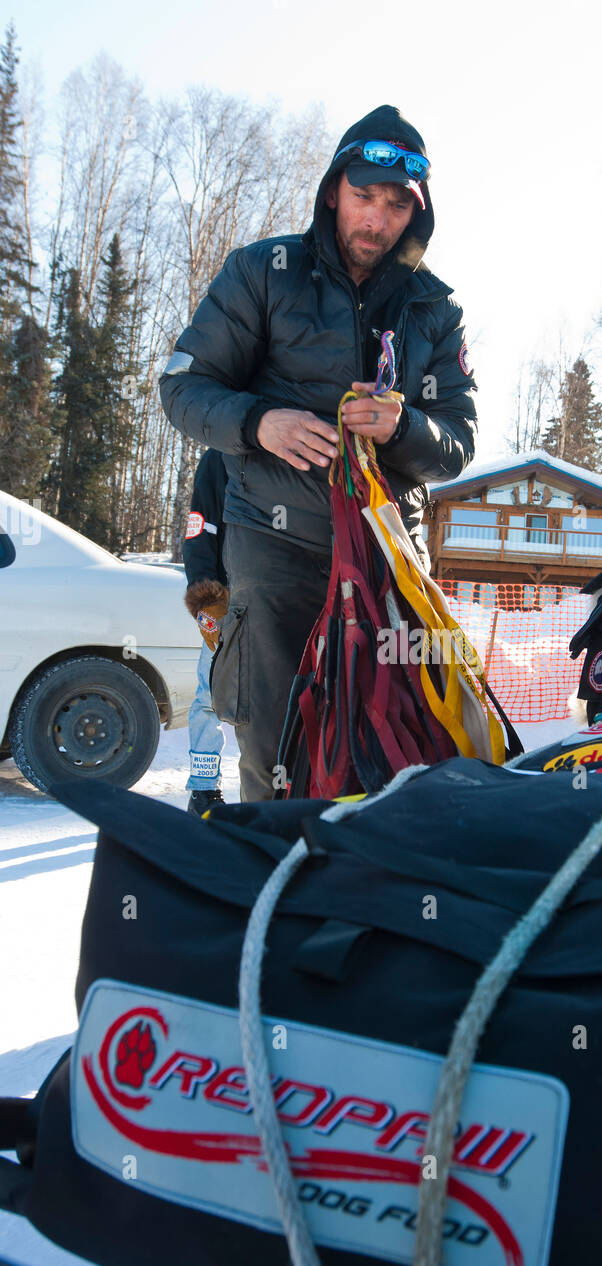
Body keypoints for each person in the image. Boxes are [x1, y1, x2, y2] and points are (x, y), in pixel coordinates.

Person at [159, 104, 478, 802]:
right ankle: (272, 897)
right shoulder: (261, 272)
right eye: (363, 196)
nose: (376, 219)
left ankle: (372, 903)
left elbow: (457, 445)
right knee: (274, 751)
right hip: (274, 553)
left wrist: (403, 428)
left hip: (389, 566)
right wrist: (257, 422)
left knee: (394, 753)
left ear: (415, 213)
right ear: (334, 189)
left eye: (396, 205)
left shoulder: (434, 308)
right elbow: (182, 388)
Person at [181, 447, 229, 815]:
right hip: (228, 602)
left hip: (283, 596)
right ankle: (203, 789)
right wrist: (207, 598)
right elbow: (200, 529)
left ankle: (286, 782)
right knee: (208, 700)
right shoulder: (219, 458)